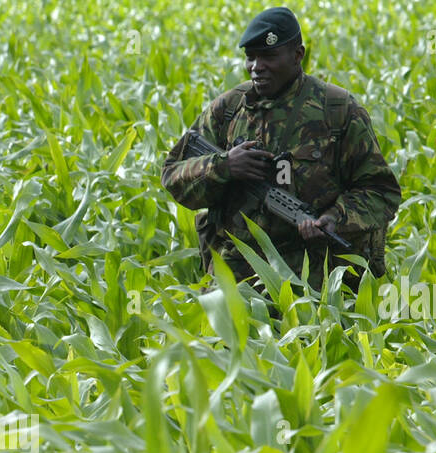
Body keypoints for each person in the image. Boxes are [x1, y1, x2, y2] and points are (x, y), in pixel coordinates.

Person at [161, 7, 401, 292]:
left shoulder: (336, 110)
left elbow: (380, 191)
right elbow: (172, 175)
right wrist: (223, 167)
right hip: (235, 279)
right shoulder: (227, 110)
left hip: (316, 282)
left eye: (269, 57)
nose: (256, 66)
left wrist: (334, 218)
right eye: (251, 57)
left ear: (297, 55)